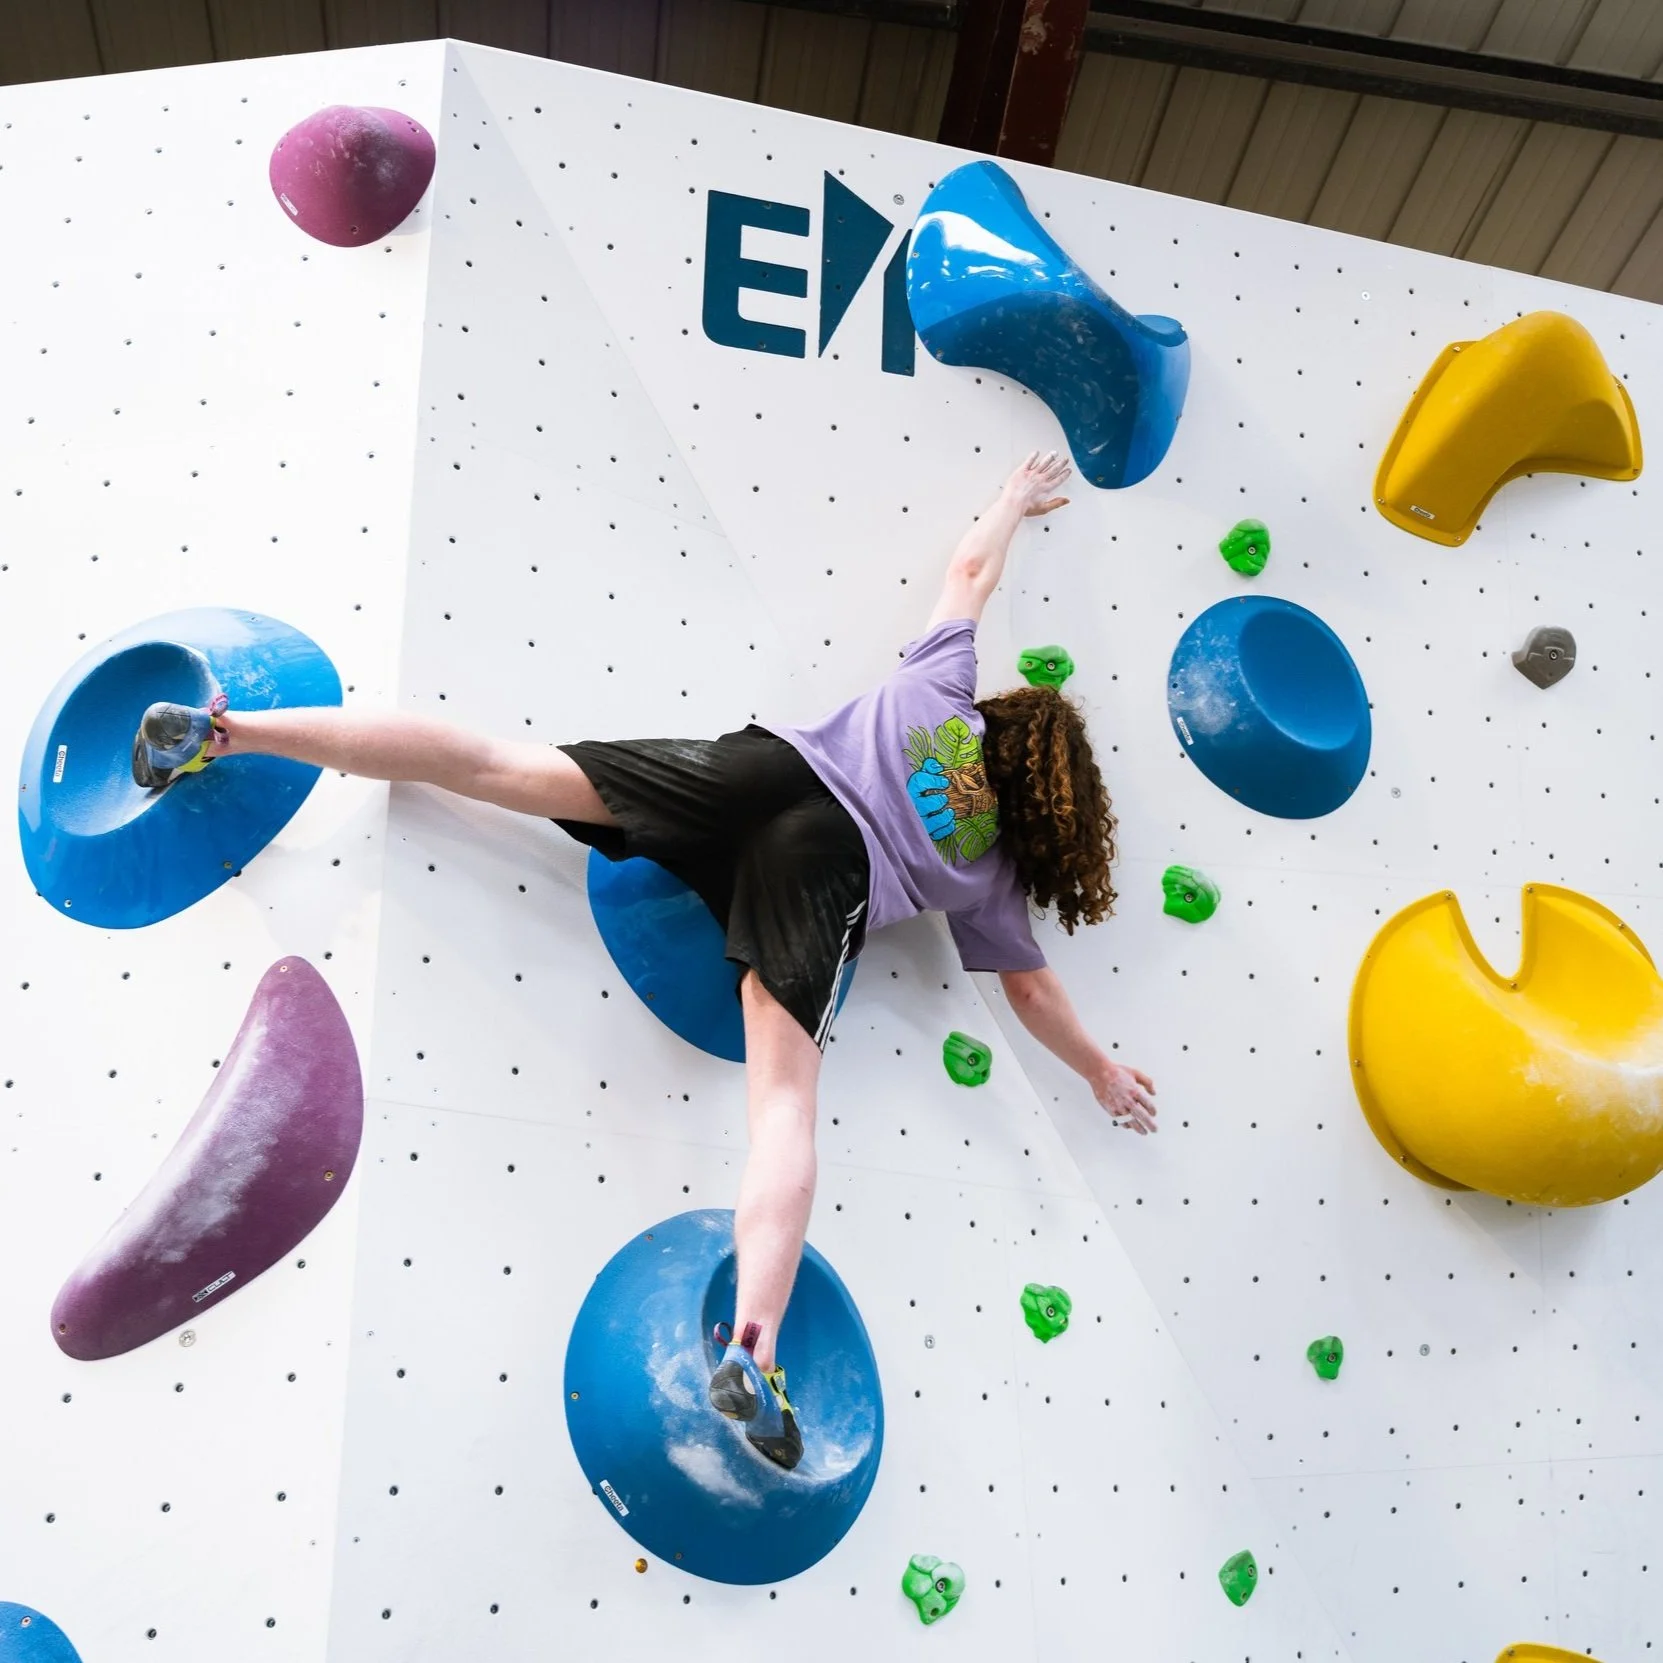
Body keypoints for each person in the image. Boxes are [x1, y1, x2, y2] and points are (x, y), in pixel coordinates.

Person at [130, 450, 1158, 1471]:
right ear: (1053, 817)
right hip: (819, 877)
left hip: (760, 774)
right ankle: (752, 1348)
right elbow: (1030, 991)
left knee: (498, 765)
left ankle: (223, 733)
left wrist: (1011, 501)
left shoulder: (940, 691)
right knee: (783, 1112)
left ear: (1010, 725)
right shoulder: (992, 876)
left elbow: (968, 574)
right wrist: (1099, 1071)